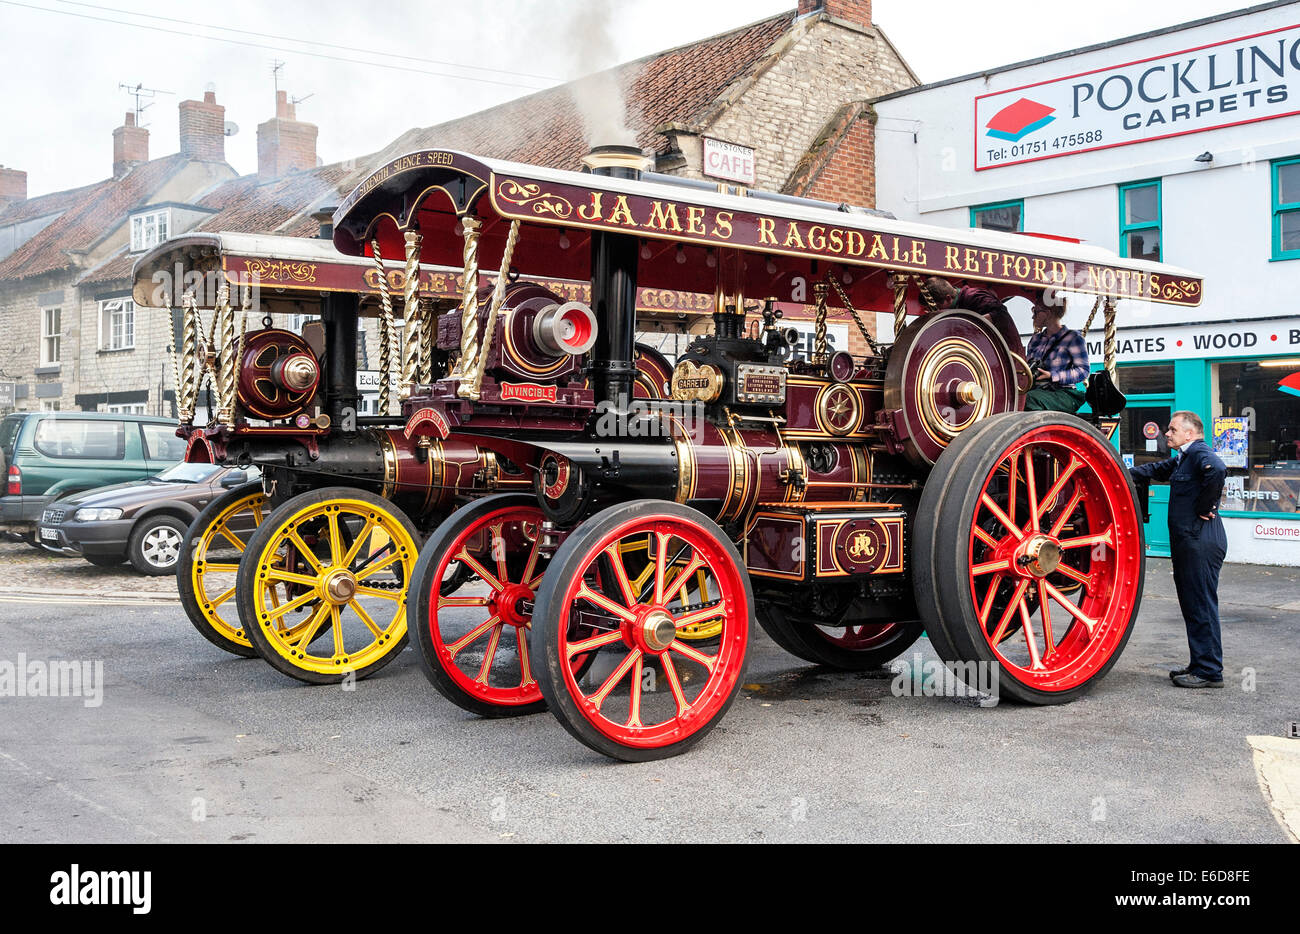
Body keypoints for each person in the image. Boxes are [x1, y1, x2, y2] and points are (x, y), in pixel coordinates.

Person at [1129, 411, 1228, 688]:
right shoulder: (1184, 458)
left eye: (1172, 430)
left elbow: (1218, 469)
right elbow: (1154, 470)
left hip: (1200, 541)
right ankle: (1200, 663)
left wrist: (1206, 507)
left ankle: (1209, 671)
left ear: (1190, 433)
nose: (1167, 434)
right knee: (1193, 604)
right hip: (1191, 542)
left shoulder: (1199, 452)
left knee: (1201, 603)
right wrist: (1117, 469)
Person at [922, 276, 1025, 357]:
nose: (937, 312)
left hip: (1009, 361)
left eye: (937, 307)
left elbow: (1000, 315)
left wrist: (966, 327)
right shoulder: (959, 305)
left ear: (948, 298)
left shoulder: (974, 296)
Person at [1023, 298, 1088, 413]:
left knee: (1028, 399)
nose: (1033, 317)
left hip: (1064, 394)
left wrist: (1052, 375)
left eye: (1035, 312)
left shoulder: (1073, 338)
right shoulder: (1035, 339)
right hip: (1037, 391)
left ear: (1047, 313)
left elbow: (1082, 371)